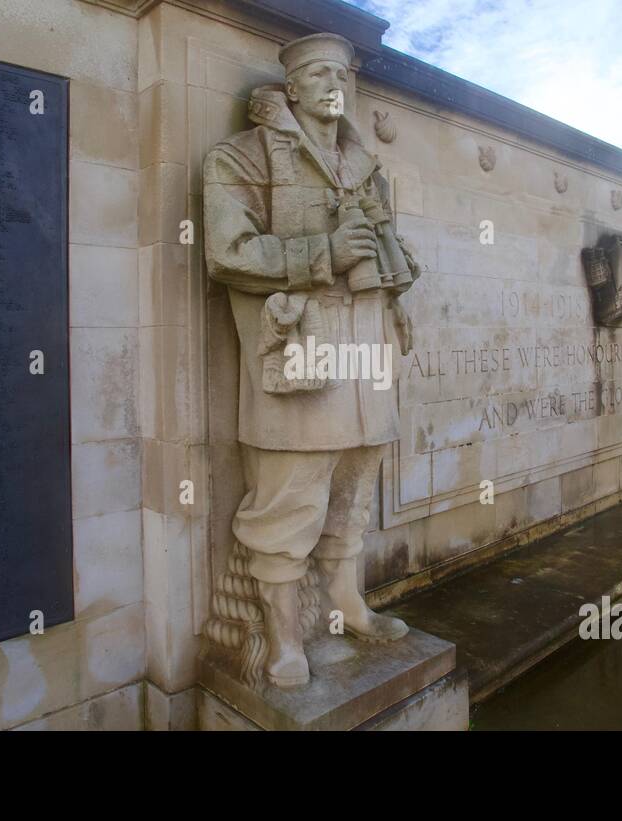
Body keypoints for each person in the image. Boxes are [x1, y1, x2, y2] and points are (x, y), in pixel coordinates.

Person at [202, 33, 419, 688]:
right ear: (291, 88)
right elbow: (227, 252)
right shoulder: (239, 156)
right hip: (301, 364)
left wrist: (395, 265)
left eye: (342, 74)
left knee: (353, 495)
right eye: (320, 74)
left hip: (367, 363)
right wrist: (323, 253)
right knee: (289, 505)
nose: (335, 85)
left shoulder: (365, 166)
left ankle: (348, 603)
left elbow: (385, 257)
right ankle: (285, 637)